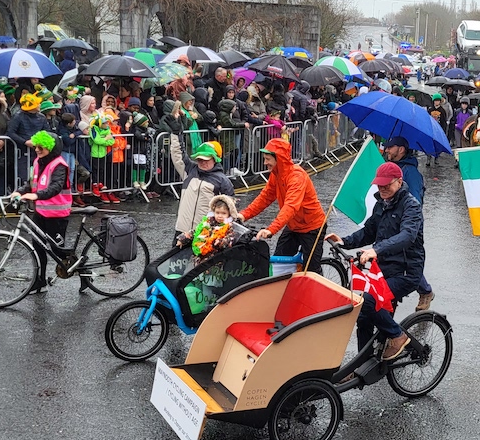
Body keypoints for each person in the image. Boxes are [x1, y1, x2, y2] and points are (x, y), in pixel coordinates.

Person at [324, 162, 422, 360]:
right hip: (383, 269)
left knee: (369, 302)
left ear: (399, 182)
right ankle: (364, 362)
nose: (382, 188)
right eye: (379, 185)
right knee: (364, 317)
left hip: (405, 271)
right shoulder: (381, 204)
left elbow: (407, 236)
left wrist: (376, 250)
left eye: (387, 184)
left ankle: (398, 336)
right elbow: (369, 231)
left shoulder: (411, 205)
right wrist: (344, 241)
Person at [237, 138, 327, 273]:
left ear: (278, 158)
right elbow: (265, 198)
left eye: (267, 159)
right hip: (293, 225)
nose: (264, 163)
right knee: (279, 262)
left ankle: (318, 291)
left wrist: (271, 229)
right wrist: (243, 215)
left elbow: (291, 206)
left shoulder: (296, 176)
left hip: (311, 227)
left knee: (311, 271)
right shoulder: (276, 174)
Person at [10, 131, 72, 294]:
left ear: (50, 148)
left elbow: (56, 187)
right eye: (36, 147)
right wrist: (20, 191)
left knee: (59, 252)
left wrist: (36, 195)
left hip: (57, 215)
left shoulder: (59, 165)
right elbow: (33, 183)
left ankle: (84, 276)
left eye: (41, 148)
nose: (37, 150)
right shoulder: (39, 161)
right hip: (41, 212)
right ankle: (40, 281)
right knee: (38, 247)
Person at [382, 137, 435, 311]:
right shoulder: (394, 167)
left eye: (390, 147)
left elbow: (414, 204)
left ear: (401, 150)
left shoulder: (411, 173)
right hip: (393, 222)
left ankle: (425, 292)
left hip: (407, 227)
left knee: (407, 263)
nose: (386, 149)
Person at [170, 138, 235, 241]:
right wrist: (176, 132)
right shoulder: (189, 170)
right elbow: (178, 153)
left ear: (215, 159)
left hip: (205, 233)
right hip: (182, 230)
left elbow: (231, 209)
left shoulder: (223, 181)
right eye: (200, 159)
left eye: (206, 159)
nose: (203, 162)